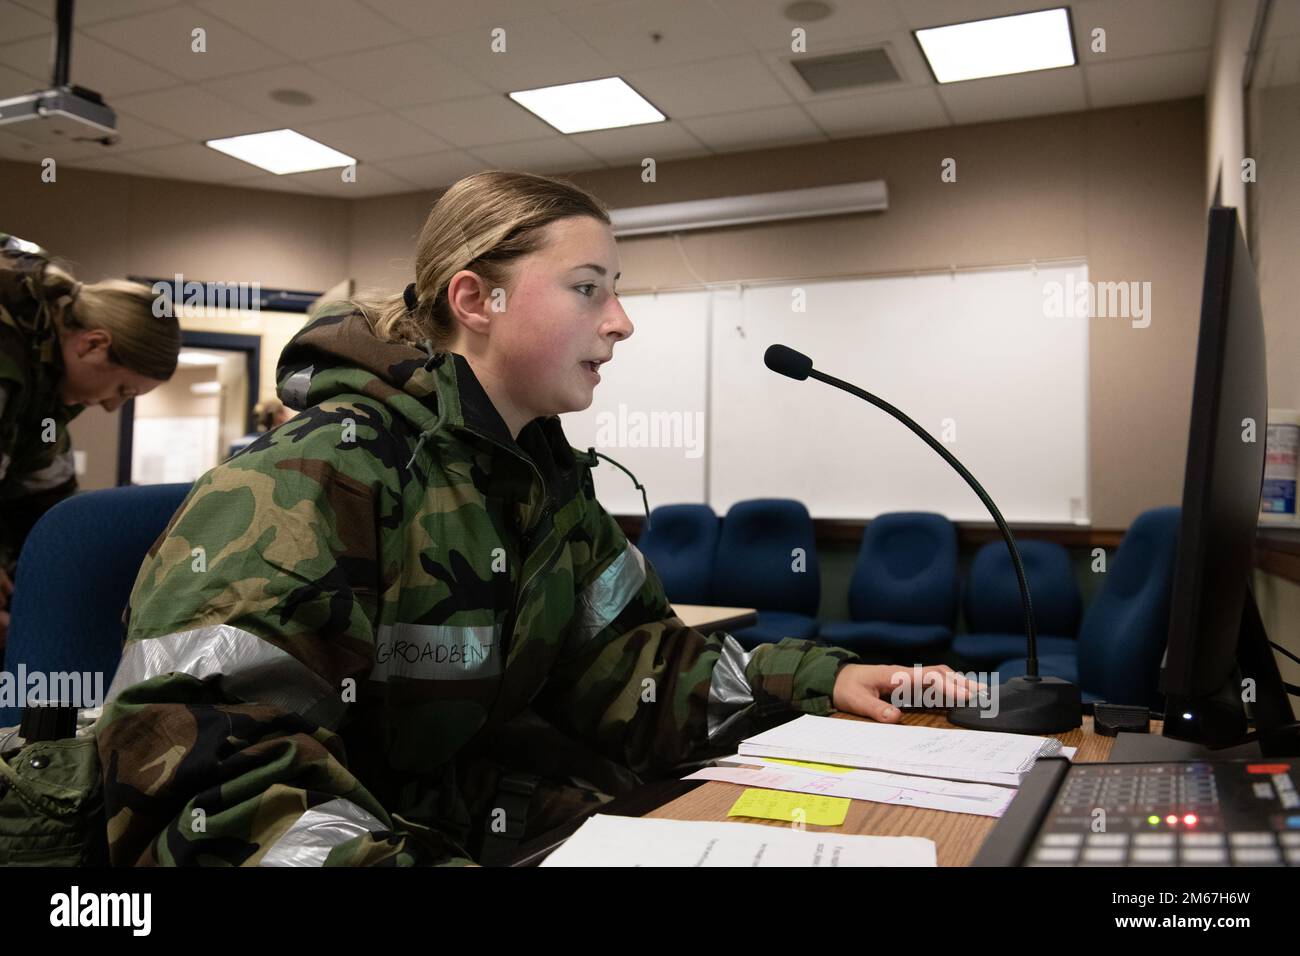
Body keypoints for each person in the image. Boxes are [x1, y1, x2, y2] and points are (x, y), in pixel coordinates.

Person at [93, 171, 977, 866]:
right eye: (589, 289)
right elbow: (202, 769)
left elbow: (632, 668)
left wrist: (817, 685)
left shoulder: (542, 484)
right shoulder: (315, 475)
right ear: (478, 301)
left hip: (461, 820)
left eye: (617, 289)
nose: (622, 322)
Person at [0, 233, 181, 648]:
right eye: (122, 391)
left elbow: (47, 509)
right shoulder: (7, 356)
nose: (111, 407)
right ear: (93, 344)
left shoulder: (42, 387)